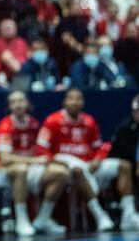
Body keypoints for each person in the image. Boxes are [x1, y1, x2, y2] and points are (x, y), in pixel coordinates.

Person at [36, 89, 123, 232]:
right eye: (71, 99)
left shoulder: (89, 121)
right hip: (65, 167)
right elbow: (41, 148)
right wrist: (56, 162)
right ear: (64, 102)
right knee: (77, 171)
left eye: (78, 99)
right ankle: (100, 215)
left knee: (123, 166)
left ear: (83, 102)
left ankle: (129, 215)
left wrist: (98, 159)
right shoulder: (52, 121)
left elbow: (99, 147)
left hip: (89, 164)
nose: (75, 102)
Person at [0, 91, 68, 237]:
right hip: (2, 172)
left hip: (29, 169)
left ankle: (43, 218)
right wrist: (34, 161)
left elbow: (39, 149)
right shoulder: (5, 126)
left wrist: (50, 159)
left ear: (28, 104)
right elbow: (5, 158)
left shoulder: (33, 123)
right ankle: (22, 220)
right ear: (9, 107)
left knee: (60, 173)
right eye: (13, 102)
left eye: (21, 100)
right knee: (21, 169)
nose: (17, 105)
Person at [105, 93, 139, 231]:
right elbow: (125, 154)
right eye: (136, 111)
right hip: (125, 167)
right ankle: (128, 215)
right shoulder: (125, 128)